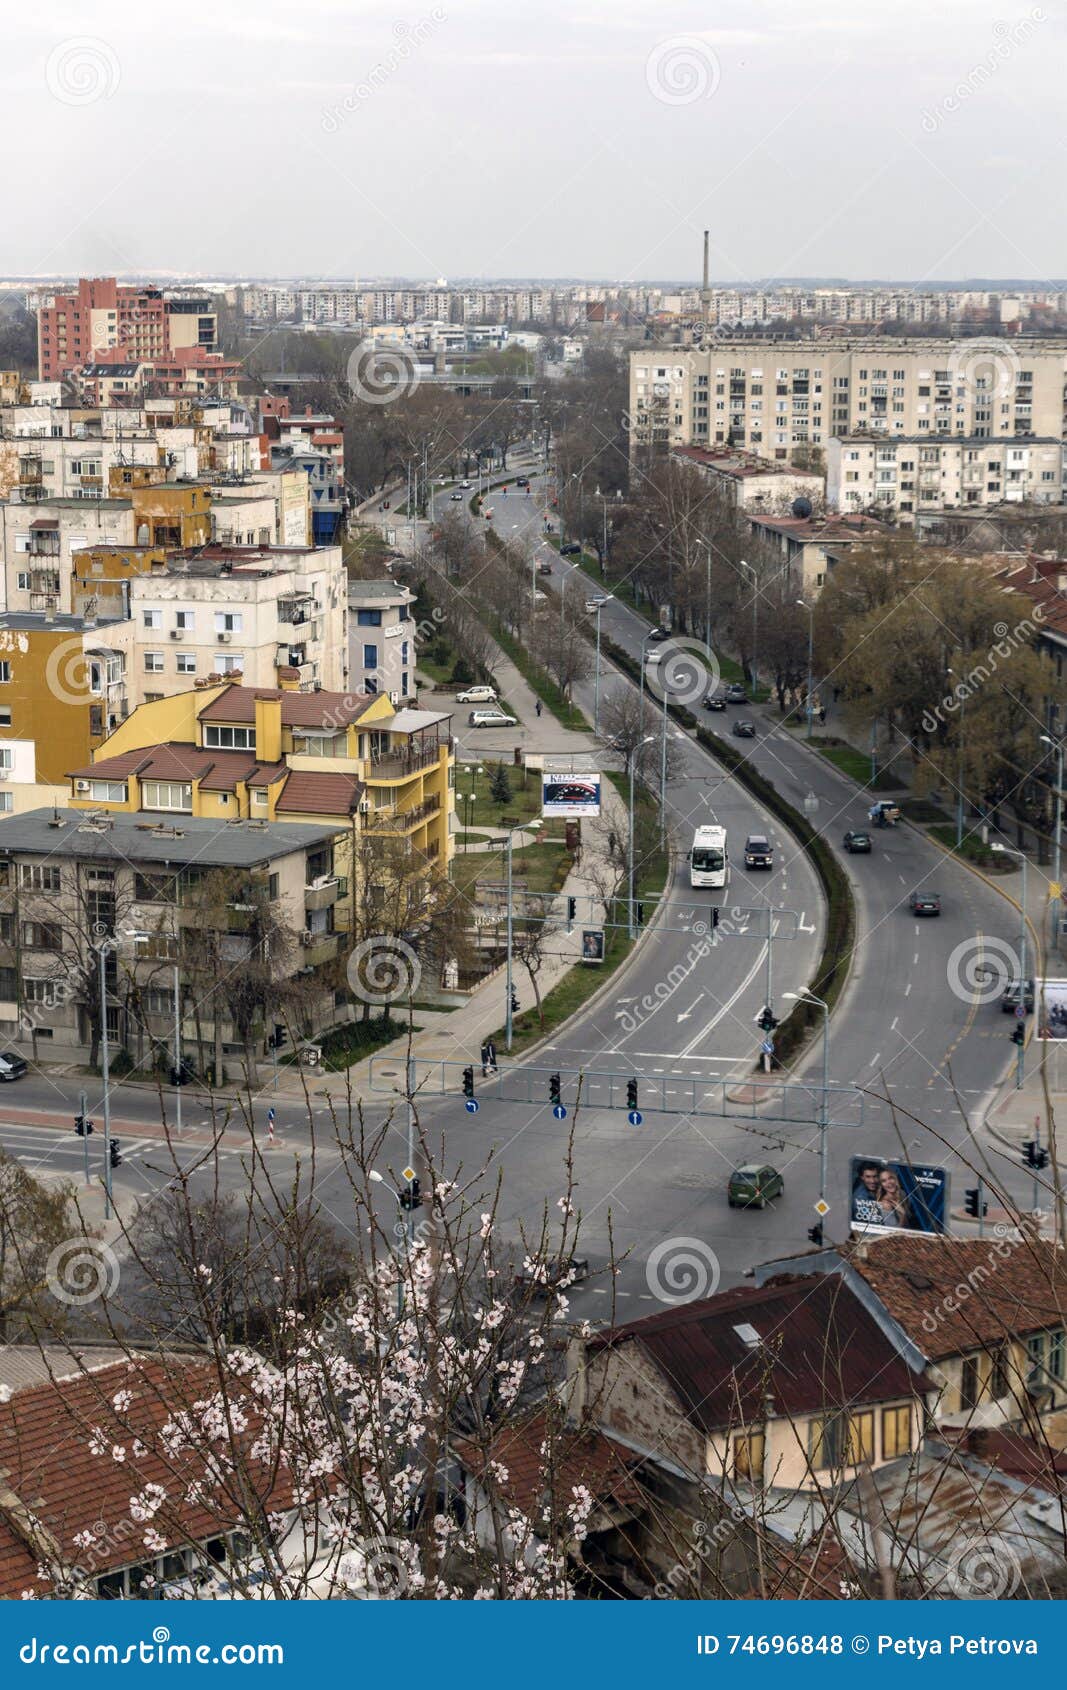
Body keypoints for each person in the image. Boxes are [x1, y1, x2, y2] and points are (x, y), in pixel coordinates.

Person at [851, 1161, 884, 1226]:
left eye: (875, 1176)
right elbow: (874, 1226)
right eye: (868, 1177)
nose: (872, 1181)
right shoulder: (860, 1198)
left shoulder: (881, 1187)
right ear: (862, 1177)